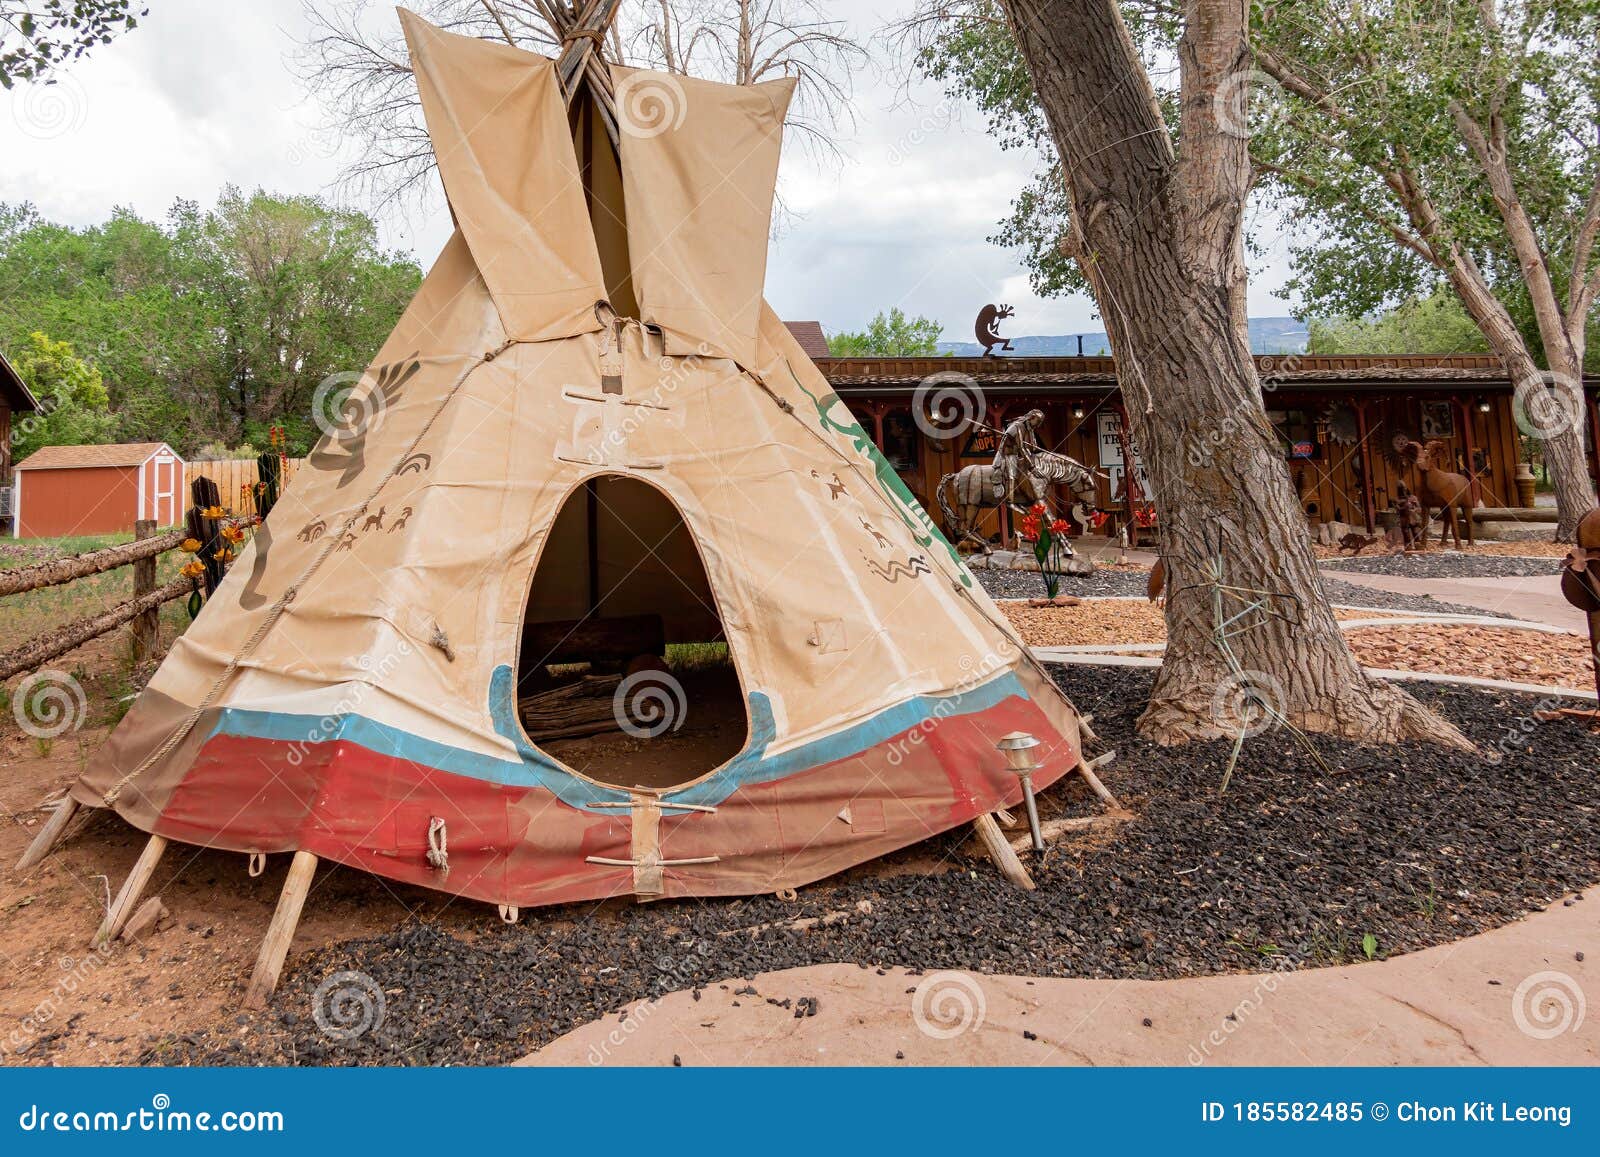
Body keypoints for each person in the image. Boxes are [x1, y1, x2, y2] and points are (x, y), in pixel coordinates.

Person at [991, 409, 1045, 506]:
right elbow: (1021, 448)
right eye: (1038, 422)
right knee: (1012, 474)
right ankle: (1010, 498)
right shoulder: (1018, 426)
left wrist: (1032, 435)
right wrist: (1032, 466)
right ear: (1031, 418)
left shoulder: (1028, 427)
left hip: (1016, 453)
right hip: (1007, 454)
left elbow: (1032, 447)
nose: (1038, 425)